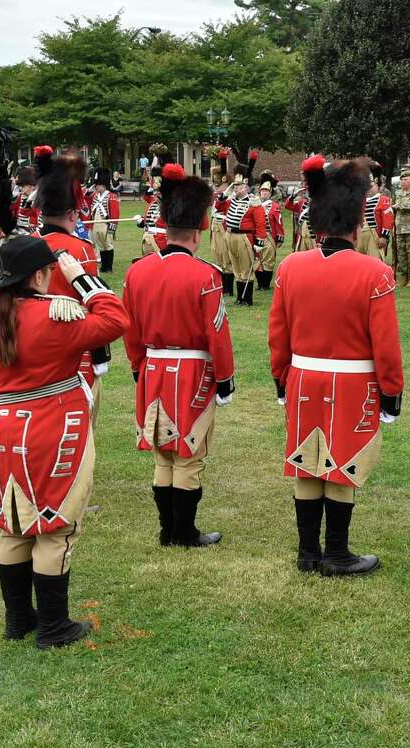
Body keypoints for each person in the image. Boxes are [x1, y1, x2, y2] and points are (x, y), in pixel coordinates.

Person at [0, 236, 128, 649]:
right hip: (53, 424)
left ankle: (19, 619)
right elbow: (115, 320)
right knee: (55, 526)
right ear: (41, 274)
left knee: (14, 524)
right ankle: (54, 626)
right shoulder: (57, 314)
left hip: (5, 423)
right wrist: (82, 280)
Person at [269, 155, 404, 576]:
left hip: (303, 378)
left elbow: (278, 334)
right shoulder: (375, 273)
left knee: (307, 462)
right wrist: (392, 391)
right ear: (356, 222)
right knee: (342, 466)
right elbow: (386, 344)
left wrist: (280, 378)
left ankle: (308, 552)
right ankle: (337, 553)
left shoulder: (291, 266)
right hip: (353, 384)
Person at [123, 163, 236, 548]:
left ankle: (166, 530)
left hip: (153, 367)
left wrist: (139, 365)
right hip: (193, 371)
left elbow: (130, 329)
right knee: (189, 454)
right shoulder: (205, 275)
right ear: (198, 230)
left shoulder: (138, 272)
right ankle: (183, 532)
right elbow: (217, 334)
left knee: (163, 456)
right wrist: (225, 378)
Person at [35, 150, 112, 417]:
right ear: (71, 213)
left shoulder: (27, 245)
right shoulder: (82, 250)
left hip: (33, 344)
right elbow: (91, 303)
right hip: (74, 348)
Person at [213, 165, 268, 307]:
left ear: (246, 187)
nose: (236, 189)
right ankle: (239, 298)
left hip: (244, 238)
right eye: (235, 186)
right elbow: (218, 207)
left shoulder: (254, 203)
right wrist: (225, 193)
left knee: (245, 268)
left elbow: (261, 224)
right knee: (236, 267)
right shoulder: (231, 201)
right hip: (230, 236)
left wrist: (259, 243)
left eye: (239, 186)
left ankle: (247, 299)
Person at [355, 163, 393, 260]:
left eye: (370, 186)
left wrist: (384, 236)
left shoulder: (383, 199)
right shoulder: (360, 200)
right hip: (360, 236)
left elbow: (388, 219)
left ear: (377, 184)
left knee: (375, 260)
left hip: (374, 236)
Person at [89, 167, 121, 273]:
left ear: (103, 184)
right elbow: (85, 197)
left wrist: (113, 226)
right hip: (96, 224)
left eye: (97, 185)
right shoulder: (94, 196)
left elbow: (115, 213)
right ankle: (103, 266)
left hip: (106, 224)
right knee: (101, 246)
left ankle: (109, 266)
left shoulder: (111, 196)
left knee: (108, 245)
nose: (96, 187)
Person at [255, 175, 284, 290]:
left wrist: (280, 236)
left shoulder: (274, 206)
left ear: (270, 193)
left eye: (266, 191)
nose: (264, 193)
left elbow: (279, 222)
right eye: (262, 191)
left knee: (268, 260)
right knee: (257, 259)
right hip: (257, 236)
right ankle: (259, 283)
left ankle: (265, 284)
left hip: (269, 236)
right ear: (259, 192)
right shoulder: (255, 204)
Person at [138, 173, 166, 257]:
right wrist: (141, 221)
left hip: (161, 239)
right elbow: (146, 196)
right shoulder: (152, 203)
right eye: (155, 192)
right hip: (147, 237)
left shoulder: (169, 205)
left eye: (158, 192)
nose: (155, 194)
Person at [284, 178, 315, 252]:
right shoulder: (302, 203)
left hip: (314, 237)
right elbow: (287, 206)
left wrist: (321, 241)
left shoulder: (320, 203)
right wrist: (294, 195)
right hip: (302, 236)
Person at [12, 165, 40, 235]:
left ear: (32, 185)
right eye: (20, 187)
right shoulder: (19, 198)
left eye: (23, 186)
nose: (22, 190)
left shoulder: (39, 200)